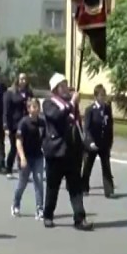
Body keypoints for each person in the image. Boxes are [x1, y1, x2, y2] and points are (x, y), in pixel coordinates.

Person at [40, 73, 92, 230]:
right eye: (62, 86)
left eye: (66, 85)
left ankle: (80, 218)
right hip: (56, 151)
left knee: (75, 187)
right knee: (52, 187)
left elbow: (76, 124)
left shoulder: (70, 104)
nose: (66, 88)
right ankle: (48, 215)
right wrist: (71, 103)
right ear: (55, 89)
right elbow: (56, 116)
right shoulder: (49, 103)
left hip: (72, 151)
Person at [11, 98, 46, 219]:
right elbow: (18, 142)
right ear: (28, 109)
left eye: (37, 106)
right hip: (26, 156)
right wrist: (22, 158)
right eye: (34, 107)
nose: (36, 109)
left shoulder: (42, 123)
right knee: (22, 183)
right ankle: (16, 204)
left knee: (39, 181)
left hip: (38, 156)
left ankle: (40, 209)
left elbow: (45, 139)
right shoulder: (24, 123)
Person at [82, 85, 115, 198]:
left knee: (106, 166)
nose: (103, 97)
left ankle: (109, 190)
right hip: (93, 143)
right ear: (96, 96)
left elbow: (110, 125)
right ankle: (84, 187)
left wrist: (110, 141)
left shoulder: (107, 108)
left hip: (104, 142)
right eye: (101, 95)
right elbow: (87, 128)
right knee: (88, 166)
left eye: (104, 95)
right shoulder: (90, 110)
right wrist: (90, 142)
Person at [2, 73, 32, 176]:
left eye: (25, 79)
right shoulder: (10, 93)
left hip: (26, 124)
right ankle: (9, 168)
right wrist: (5, 126)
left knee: (24, 147)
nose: (24, 81)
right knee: (14, 147)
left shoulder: (28, 93)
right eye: (21, 79)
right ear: (17, 80)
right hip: (14, 124)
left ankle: (22, 169)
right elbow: (6, 111)